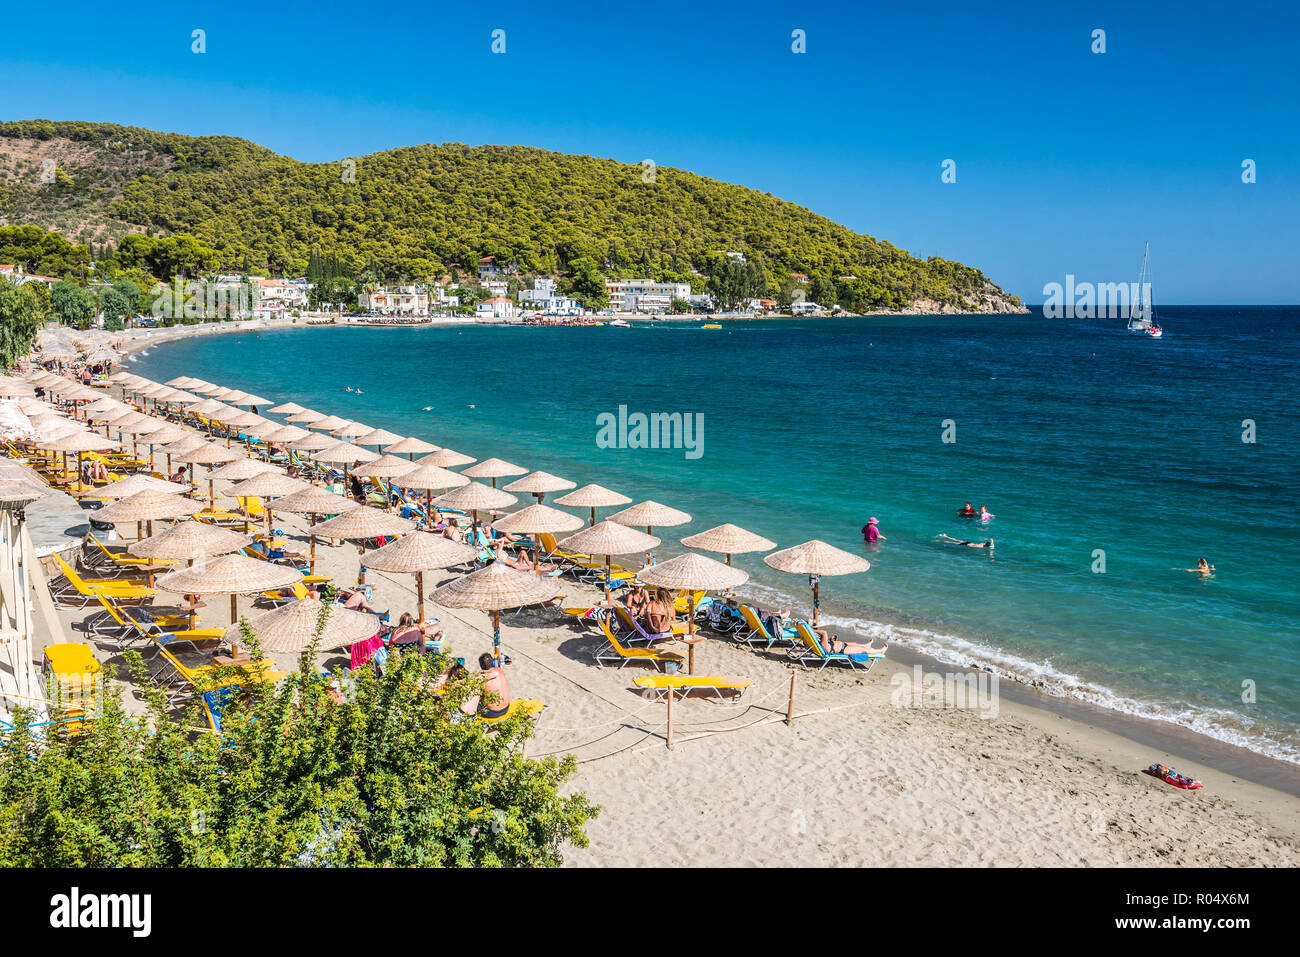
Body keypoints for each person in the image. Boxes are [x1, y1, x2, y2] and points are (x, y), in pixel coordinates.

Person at [476, 652, 511, 718]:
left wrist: (480, 673)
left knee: (475, 700)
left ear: (481, 666)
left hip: (493, 712)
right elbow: (493, 673)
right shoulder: (500, 671)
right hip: (506, 708)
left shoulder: (482, 679)